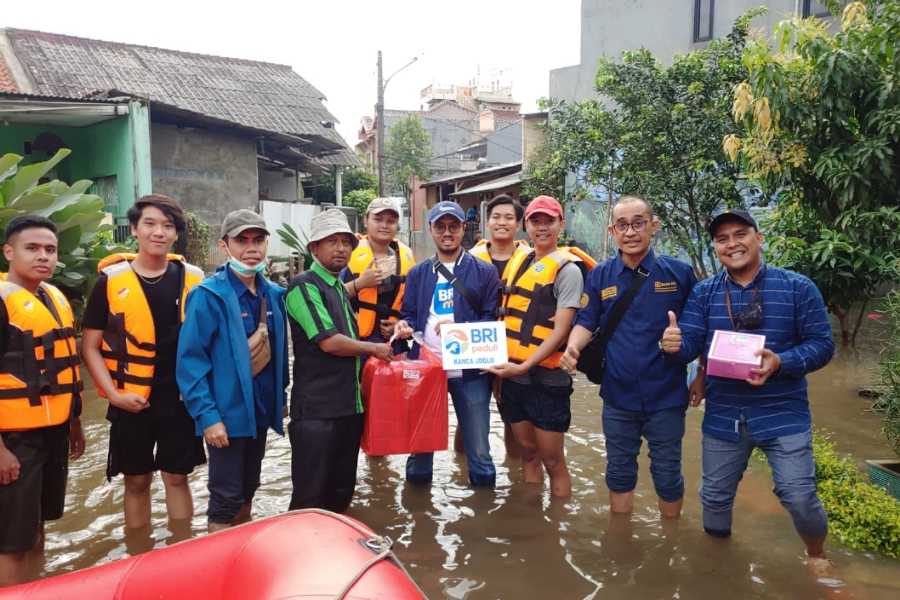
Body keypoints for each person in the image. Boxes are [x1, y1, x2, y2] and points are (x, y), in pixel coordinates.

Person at [660, 209, 834, 560]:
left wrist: (781, 361)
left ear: (759, 237)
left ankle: (816, 555)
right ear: (715, 248)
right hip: (725, 414)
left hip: (783, 412)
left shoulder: (798, 288)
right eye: (723, 239)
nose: (732, 244)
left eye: (740, 234)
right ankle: (718, 561)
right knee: (714, 496)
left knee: (798, 495)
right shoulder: (705, 293)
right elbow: (692, 342)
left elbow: (822, 345)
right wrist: (675, 346)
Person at [560, 195, 698, 517]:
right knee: (619, 472)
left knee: (667, 474)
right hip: (618, 396)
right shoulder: (601, 275)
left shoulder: (679, 274)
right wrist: (573, 346)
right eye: (622, 225)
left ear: (653, 226)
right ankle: (620, 541)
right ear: (612, 231)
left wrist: (698, 371)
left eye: (638, 223)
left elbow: (698, 330)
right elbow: (585, 321)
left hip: (666, 396)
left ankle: (670, 538)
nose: (631, 232)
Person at [81, 195, 205, 531]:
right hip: (130, 398)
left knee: (177, 478)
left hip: (180, 399)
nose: (159, 232)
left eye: (168, 226)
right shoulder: (110, 281)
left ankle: (181, 549)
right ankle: (138, 553)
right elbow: (90, 347)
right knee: (135, 482)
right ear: (134, 229)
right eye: (150, 224)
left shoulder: (194, 279)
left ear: (176, 234)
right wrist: (113, 395)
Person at [177, 209, 288, 532]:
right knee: (224, 499)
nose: (251, 248)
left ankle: (241, 554)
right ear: (225, 246)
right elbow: (190, 363)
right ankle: (220, 569)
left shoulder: (272, 293)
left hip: (260, 412)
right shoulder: (207, 296)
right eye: (242, 241)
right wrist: (208, 418)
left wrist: (279, 400)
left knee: (249, 489)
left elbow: (280, 355)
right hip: (226, 416)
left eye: (258, 240)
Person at [285, 209, 392, 512]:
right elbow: (329, 342)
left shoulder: (337, 288)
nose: (341, 248)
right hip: (317, 412)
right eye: (331, 241)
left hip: (348, 408)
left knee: (342, 490)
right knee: (310, 496)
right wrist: (374, 349)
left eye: (345, 242)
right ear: (314, 248)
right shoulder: (302, 286)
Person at [487, 196, 594, 497]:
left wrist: (524, 365)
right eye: (536, 221)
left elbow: (561, 331)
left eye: (549, 221)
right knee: (528, 453)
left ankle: (557, 529)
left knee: (552, 459)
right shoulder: (520, 260)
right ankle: (531, 517)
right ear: (527, 226)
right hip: (514, 376)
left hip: (547, 379)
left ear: (561, 224)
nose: (542, 227)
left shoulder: (568, 270)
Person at [0, 216, 84, 586]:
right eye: (32, 248)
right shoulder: (4, 303)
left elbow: (61, 372)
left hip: (53, 432)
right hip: (15, 440)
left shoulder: (52, 298)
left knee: (35, 528)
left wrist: (74, 423)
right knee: (12, 541)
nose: (43, 256)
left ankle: (34, 589)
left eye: (50, 250)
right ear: (8, 252)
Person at [394, 201, 502, 488]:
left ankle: (484, 511)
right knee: (419, 450)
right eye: (440, 226)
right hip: (427, 371)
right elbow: (408, 315)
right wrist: (403, 326)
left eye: (453, 226)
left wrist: (460, 330)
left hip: (471, 373)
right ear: (431, 229)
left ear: (462, 229)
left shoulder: (484, 272)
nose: (447, 232)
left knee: (479, 450)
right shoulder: (418, 273)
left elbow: (491, 320)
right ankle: (418, 511)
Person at [466, 194, 531, 457]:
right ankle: (462, 469)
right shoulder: (470, 259)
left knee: (512, 418)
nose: (501, 222)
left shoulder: (532, 259)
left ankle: (513, 471)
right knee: (469, 416)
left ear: (518, 224)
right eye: (496, 217)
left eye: (508, 218)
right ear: (487, 222)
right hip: (475, 347)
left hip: (514, 350)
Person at [342, 197, 415, 342]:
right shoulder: (346, 254)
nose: (384, 225)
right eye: (378, 219)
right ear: (365, 220)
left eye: (391, 221)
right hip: (355, 341)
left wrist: (400, 323)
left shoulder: (406, 256)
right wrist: (360, 283)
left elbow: (414, 303)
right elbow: (330, 297)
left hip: (394, 340)